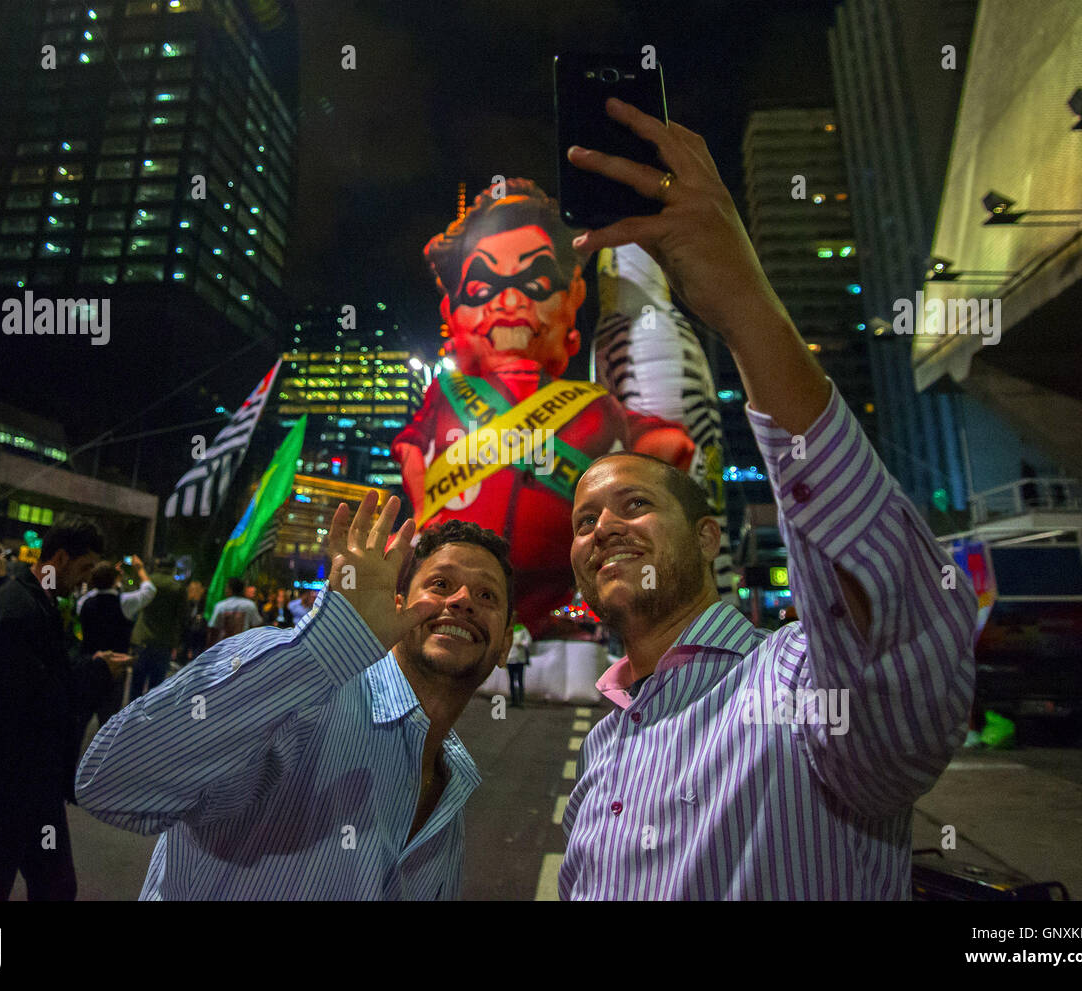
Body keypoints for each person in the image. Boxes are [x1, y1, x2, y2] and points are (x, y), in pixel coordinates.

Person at [555, 97, 977, 899]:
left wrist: (745, 304)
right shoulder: (606, 743)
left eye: (636, 506)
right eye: (585, 519)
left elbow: (893, 630)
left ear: (710, 535)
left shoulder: (792, 685)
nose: (604, 525)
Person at [75, 493, 514, 899]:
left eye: (486, 595)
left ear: (505, 647)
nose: (462, 600)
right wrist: (330, 644)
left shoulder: (452, 787)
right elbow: (112, 783)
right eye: (440, 584)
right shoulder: (302, 694)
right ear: (397, 607)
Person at [393, 179, 693, 637]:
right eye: (481, 286)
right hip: (457, 591)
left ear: (572, 297)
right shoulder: (446, 393)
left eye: (535, 282)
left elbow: (655, 443)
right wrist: (423, 517)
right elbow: (411, 448)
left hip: (564, 596)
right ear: (452, 311)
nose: (510, 300)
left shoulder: (595, 404)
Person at [0, 516, 130, 900]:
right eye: (83, 568)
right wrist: (99, 672)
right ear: (61, 558)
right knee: (2, 883)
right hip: (9, 783)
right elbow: (34, 698)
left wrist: (91, 666)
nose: (85, 579)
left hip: (26, 783)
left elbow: (45, 677)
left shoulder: (35, 600)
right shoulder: (20, 609)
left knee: (46, 885)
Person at [77, 556, 153, 723]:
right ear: (115, 579)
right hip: (115, 667)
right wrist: (139, 569)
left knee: (81, 719)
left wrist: (112, 578)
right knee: (108, 723)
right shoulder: (123, 602)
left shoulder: (84, 602)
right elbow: (149, 591)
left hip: (89, 664)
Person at [128, 555, 187, 699]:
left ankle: (131, 719)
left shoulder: (149, 581)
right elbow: (182, 617)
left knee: (136, 685)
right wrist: (179, 641)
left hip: (142, 639)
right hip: (163, 642)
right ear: (173, 568)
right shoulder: (177, 587)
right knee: (155, 689)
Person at [207, 577, 263, 646]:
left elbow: (213, 629)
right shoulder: (249, 605)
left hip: (224, 648)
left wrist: (209, 647)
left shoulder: (221, 606)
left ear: (230, 589)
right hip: (243, 647)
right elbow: (257, 626)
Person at [178, 579, 208, 666]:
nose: (194, 592)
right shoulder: (187, 602)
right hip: (187, 631)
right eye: (192, 589)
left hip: (198, 632)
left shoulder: (204, 603)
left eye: (197, 589)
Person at [506, 621, 533, 707]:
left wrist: (521, 643)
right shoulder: (507, 629)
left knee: (520, 681)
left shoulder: (522, 629)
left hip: (519, 659)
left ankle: (520, 701)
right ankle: (514, 700)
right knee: (511, 681)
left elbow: (528, 640)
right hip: (510, 659)